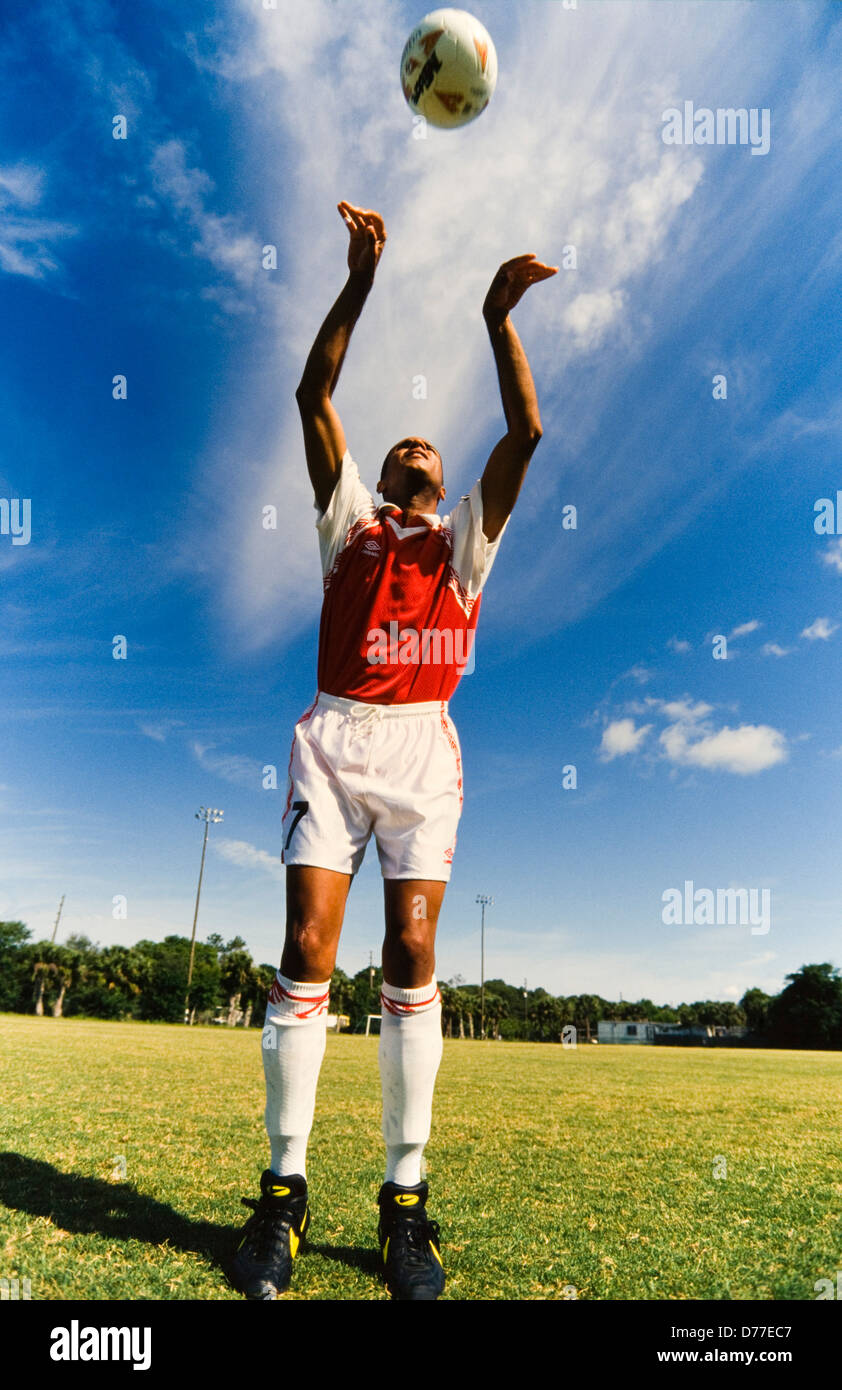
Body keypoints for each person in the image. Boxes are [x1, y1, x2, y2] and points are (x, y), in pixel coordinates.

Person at [229, 201, 556, 1301]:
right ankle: (281, 1195)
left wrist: (494, 315)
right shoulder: (350, 526)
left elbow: (526, 436)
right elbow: (311, 395)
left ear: (441, 475)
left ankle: (402, 1206)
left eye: (428, 445)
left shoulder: (463, 541)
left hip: (422, 754)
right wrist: (360, 279)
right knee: (307, 950)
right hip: (332, 736)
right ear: (379, 472)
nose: (416, 445)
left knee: (413, 959)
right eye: (401, 443)